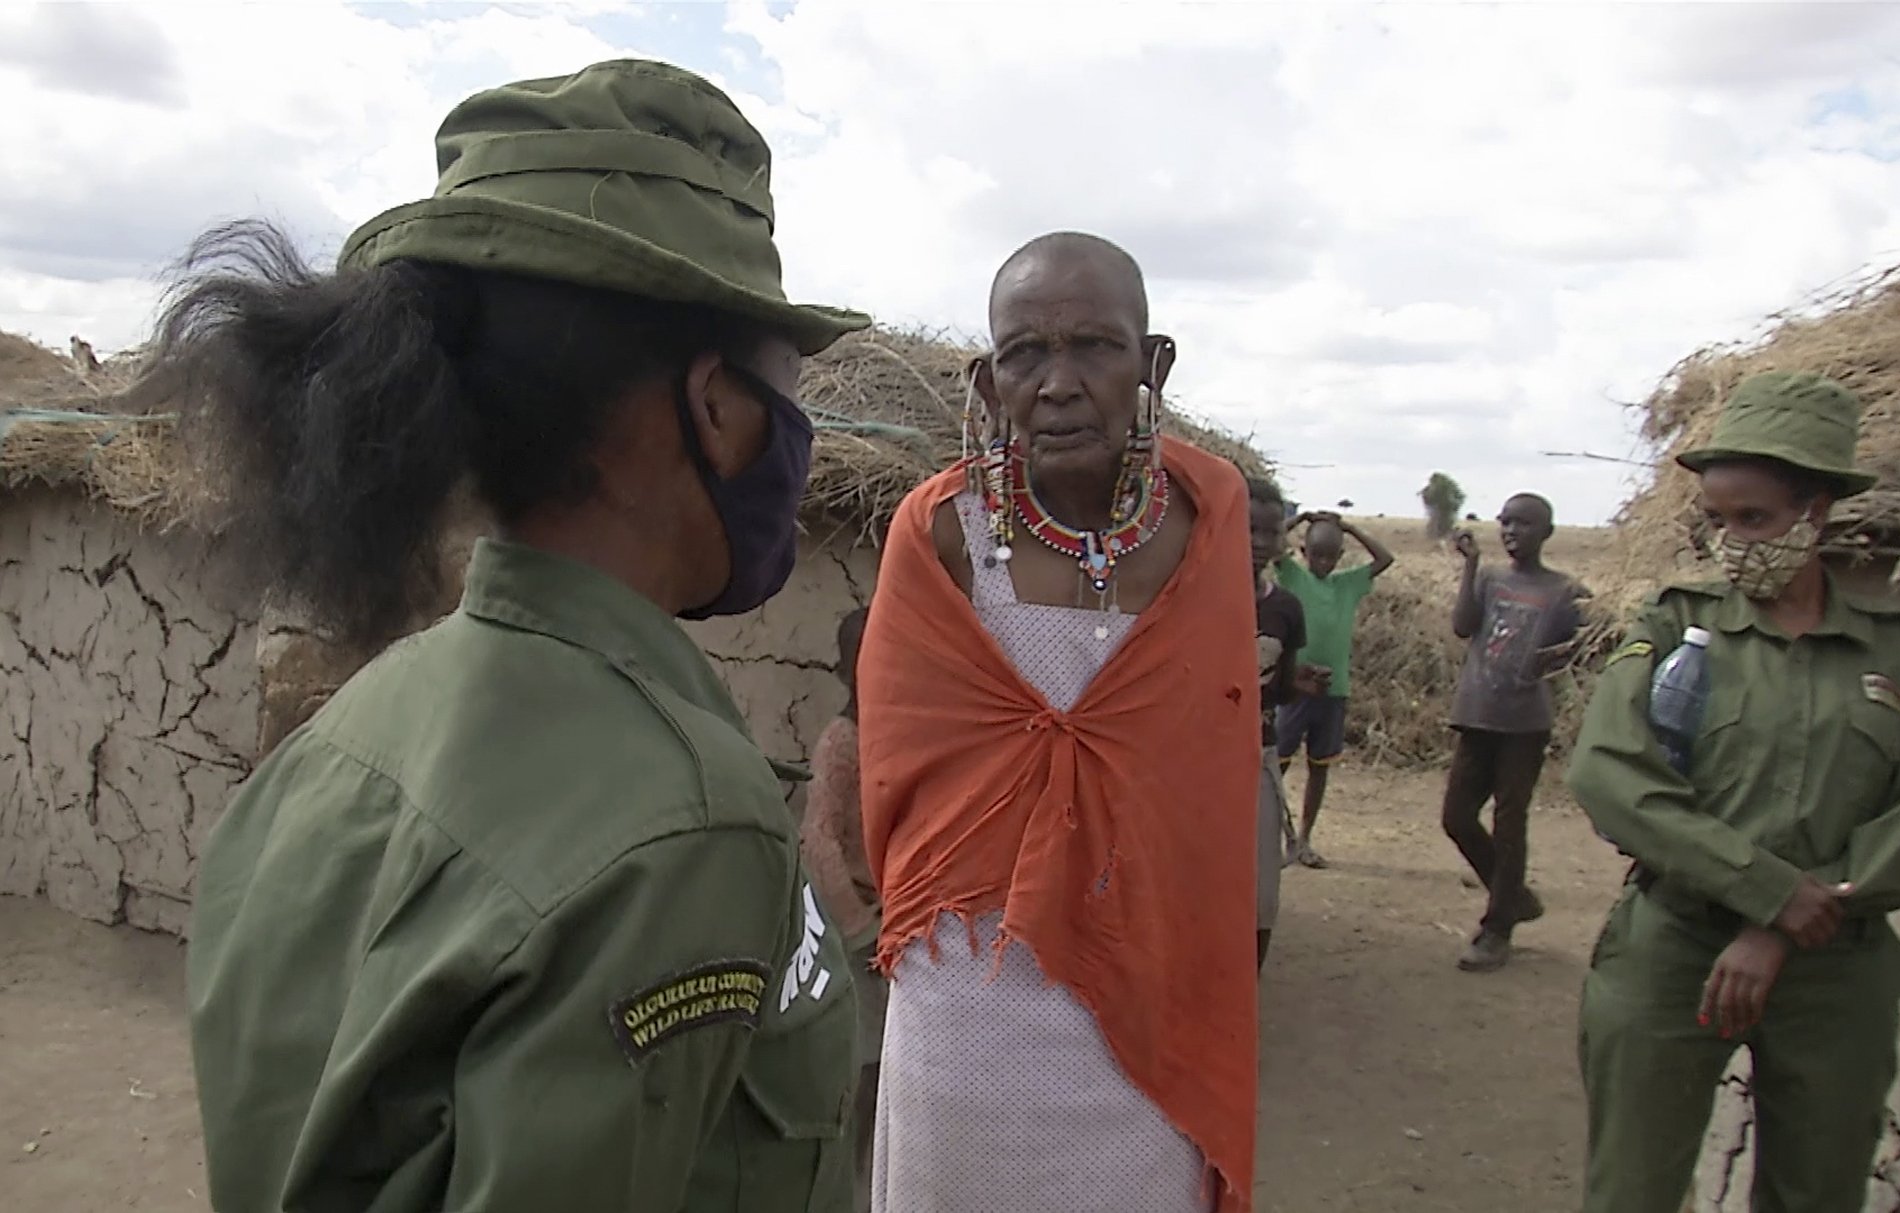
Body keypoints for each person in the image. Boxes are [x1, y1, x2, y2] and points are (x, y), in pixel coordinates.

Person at [169, 61, 870, 1212]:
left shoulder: (347, 735)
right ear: (711, 405)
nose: (796, 434)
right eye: (785, 385)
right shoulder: (681, 828)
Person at [858, 232, 1261, 1212]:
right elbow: (900, 761)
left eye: (1093, 345)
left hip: (1147, 965)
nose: (1059, 383)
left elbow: (1206, 761)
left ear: (1152, 363)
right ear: (988, 383)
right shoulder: (942, 532)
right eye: (1024, 354)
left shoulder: (1207, 519)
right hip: (968, 983)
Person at [1568, 371, 1900, 1213]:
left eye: (1755, 518)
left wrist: (1782, 929)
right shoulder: (1675, 624)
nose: (1732, 541)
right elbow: (1610, 774)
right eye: (1715, 521)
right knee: (1631, 1188)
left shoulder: (1892, 650)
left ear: (1816, 512)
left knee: (1817, 1190)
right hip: (1674, 945)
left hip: (1834, 965)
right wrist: (1769, 893)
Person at [1441, 493, 1584, 972]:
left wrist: (1558, 659)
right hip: (1477, 712)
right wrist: (1470, 566)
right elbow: (1463, 627)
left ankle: (1497, 927)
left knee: (1509, 822)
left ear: (1547, 532)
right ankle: (1515, 895)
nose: (1511, 530)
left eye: (1523, 523)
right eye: (1505, 522)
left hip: (1525, 722)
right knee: (1457, 817)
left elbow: (1573, 652)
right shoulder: (1489, 578)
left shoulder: (1564, 591)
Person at [799, 606, 886, 1209]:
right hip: (858, 934)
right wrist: (858, 926)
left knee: (883, 1077)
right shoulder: (844, 743)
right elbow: (819, 843)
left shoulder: (900, 739)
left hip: (894, 932)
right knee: (855, 1072)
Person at [1274, 509, 1395, 867]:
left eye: (1331, 556)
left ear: (1341, 556)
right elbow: (1270, 542)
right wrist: (1302, 519)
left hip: (1333, 692)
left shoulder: (1347, 584)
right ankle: (1284, 835)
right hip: (1294, 689)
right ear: (1302, 552)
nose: (1323, 562)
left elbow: (1385, 559)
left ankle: (1305, 839)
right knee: (1274, 768)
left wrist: (1349, 527)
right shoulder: (1293, 575)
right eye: (1316, 554)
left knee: (1319, 767)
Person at [1249, 477, 1307, 970]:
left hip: (1256, 754)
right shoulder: (1188, 598)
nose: (1259, 543)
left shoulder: (1284, 608)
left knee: (1260, 888)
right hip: (1189, 758)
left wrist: (1301, 685)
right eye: (1248, 529)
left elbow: (1282, 689)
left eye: (1270, 532)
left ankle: (1247, 991)